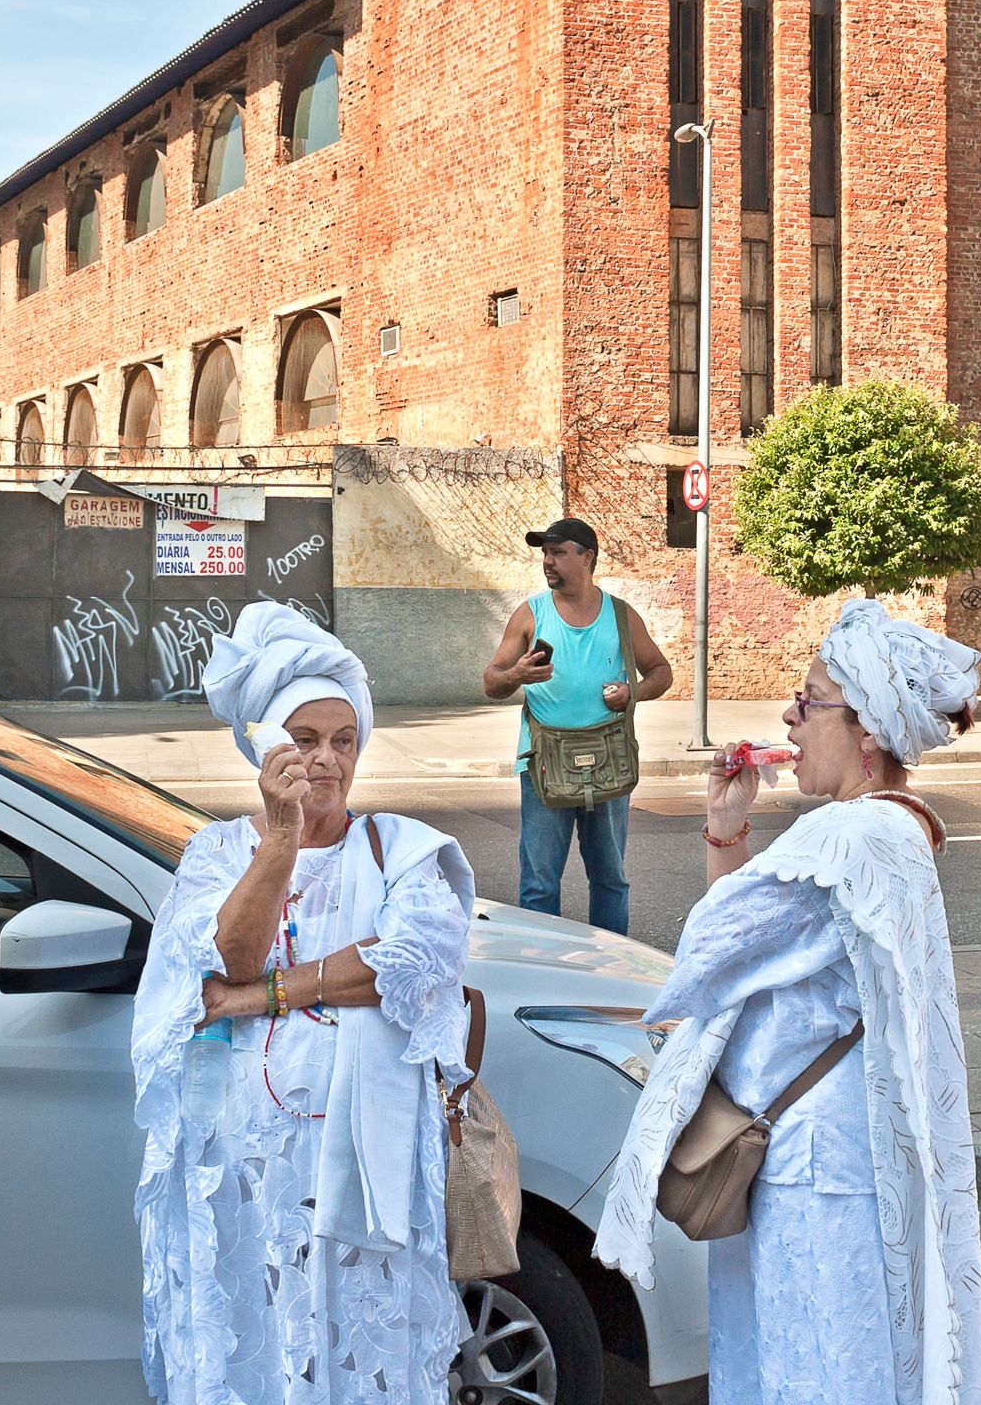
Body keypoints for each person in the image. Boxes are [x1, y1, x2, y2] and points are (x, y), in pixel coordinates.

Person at [595, 600, 981, 1405]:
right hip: (830, 1148)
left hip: (813, 1165)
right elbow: (744, 960)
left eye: (810, 700)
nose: (790, 715)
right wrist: (727, 828)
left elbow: (706, 955)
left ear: (868, 729)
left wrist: (724, 839)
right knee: (830, 1354)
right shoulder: (894, 829)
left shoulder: (846, 838)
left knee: (808, 1363)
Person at [132, 602, 476, 1403]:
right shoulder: (220, 854)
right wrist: (281, 839)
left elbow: (406, 962)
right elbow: (224, 959)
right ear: (267, 748)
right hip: (250, 1182)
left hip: (364, 1175)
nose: (326, 759)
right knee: (261, 1347)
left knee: (358, 1353)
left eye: (344, 740)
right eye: (306, 738)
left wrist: (260, 996)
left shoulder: (400, 850)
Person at [483, 517, 672, 935]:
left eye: (558, 553)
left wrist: (632, 692)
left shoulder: (620, 615)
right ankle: (543, 966)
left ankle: (611, 964)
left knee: (609, 879)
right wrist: (516, 674)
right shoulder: (530, 614)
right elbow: (491, 682)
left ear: (587, 558)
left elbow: (661, 671)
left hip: (608, 761)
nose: (548, 561)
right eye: (545, 554)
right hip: (543, 764)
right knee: (538, 885)